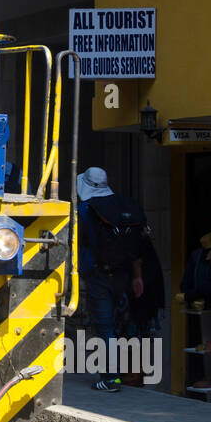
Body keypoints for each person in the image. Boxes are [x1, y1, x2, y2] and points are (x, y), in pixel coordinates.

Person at [78, 167, 147, 393]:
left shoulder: (85, 210)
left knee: (105, 328)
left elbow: (78, 243)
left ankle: (111, 379)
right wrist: (137, 277)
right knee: (121, 325)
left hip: (99, 276)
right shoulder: (125, 205)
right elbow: (138, 247)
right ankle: (130, 375)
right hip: (124, 275)